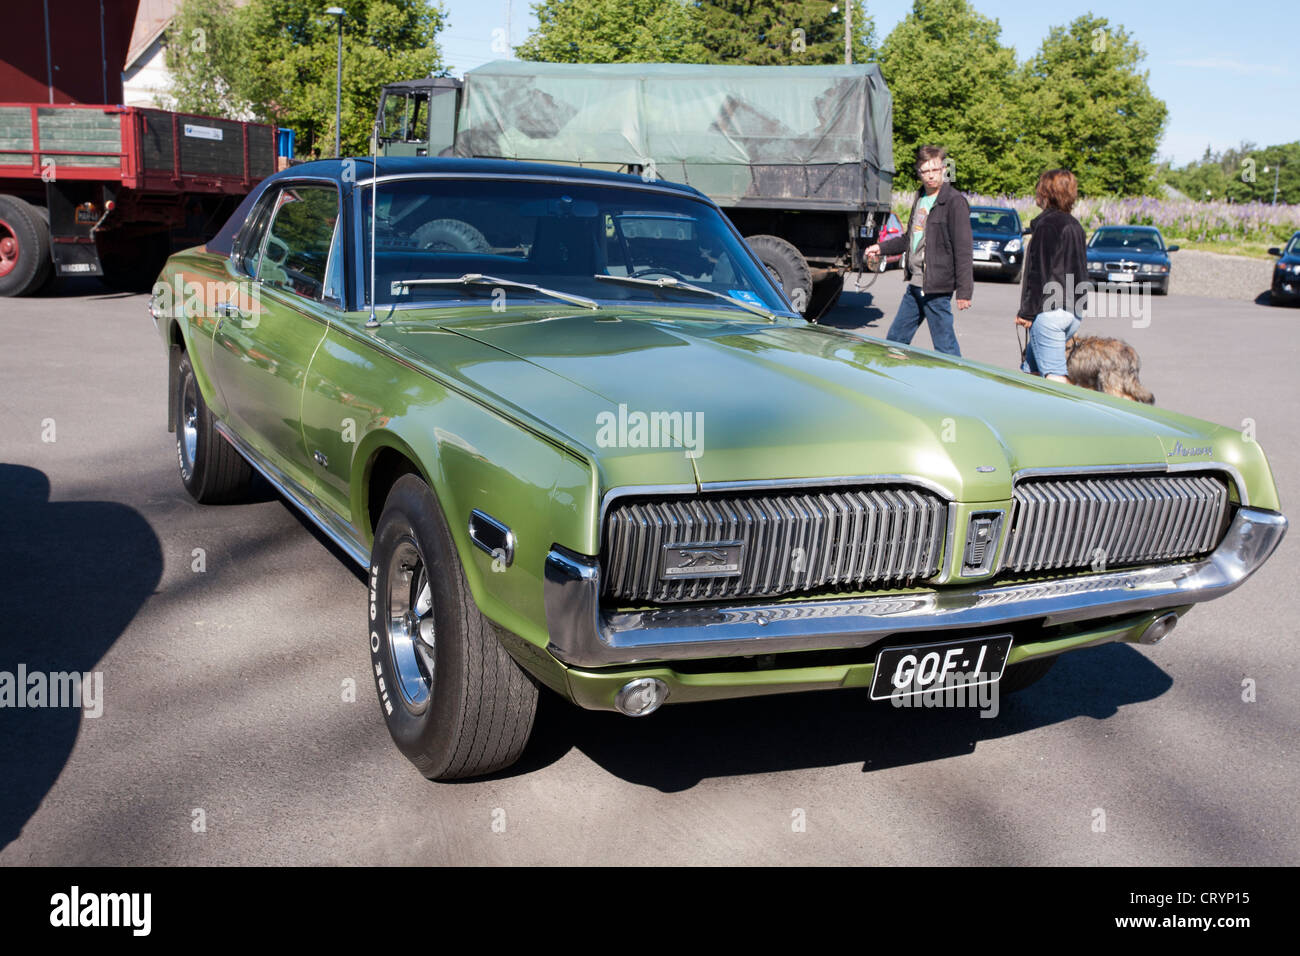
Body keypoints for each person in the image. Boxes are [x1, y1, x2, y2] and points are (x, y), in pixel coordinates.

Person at [863, 145, 973, 356]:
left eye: (934, 170)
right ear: (919, 173)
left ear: (943, 169)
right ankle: (891, 378)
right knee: (896, 340)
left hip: (936, 286)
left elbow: (963, 249)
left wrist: (964, 291)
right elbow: (909, 239)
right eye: (925, 171)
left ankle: (956, 382)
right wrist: (881, 247)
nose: (930, 176)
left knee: (945, 346)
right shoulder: (920, 198)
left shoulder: (954, 202)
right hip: (915, 284)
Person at [1017, 169, 1089, 382]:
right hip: (1073, 311)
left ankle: (1070, 414)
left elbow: (1039, 273)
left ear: (1046, 193)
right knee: (1031, 371)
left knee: (1055, 376)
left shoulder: (1047, 225)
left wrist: (1027, 313)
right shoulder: (1075, 225)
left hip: (1050, 312)